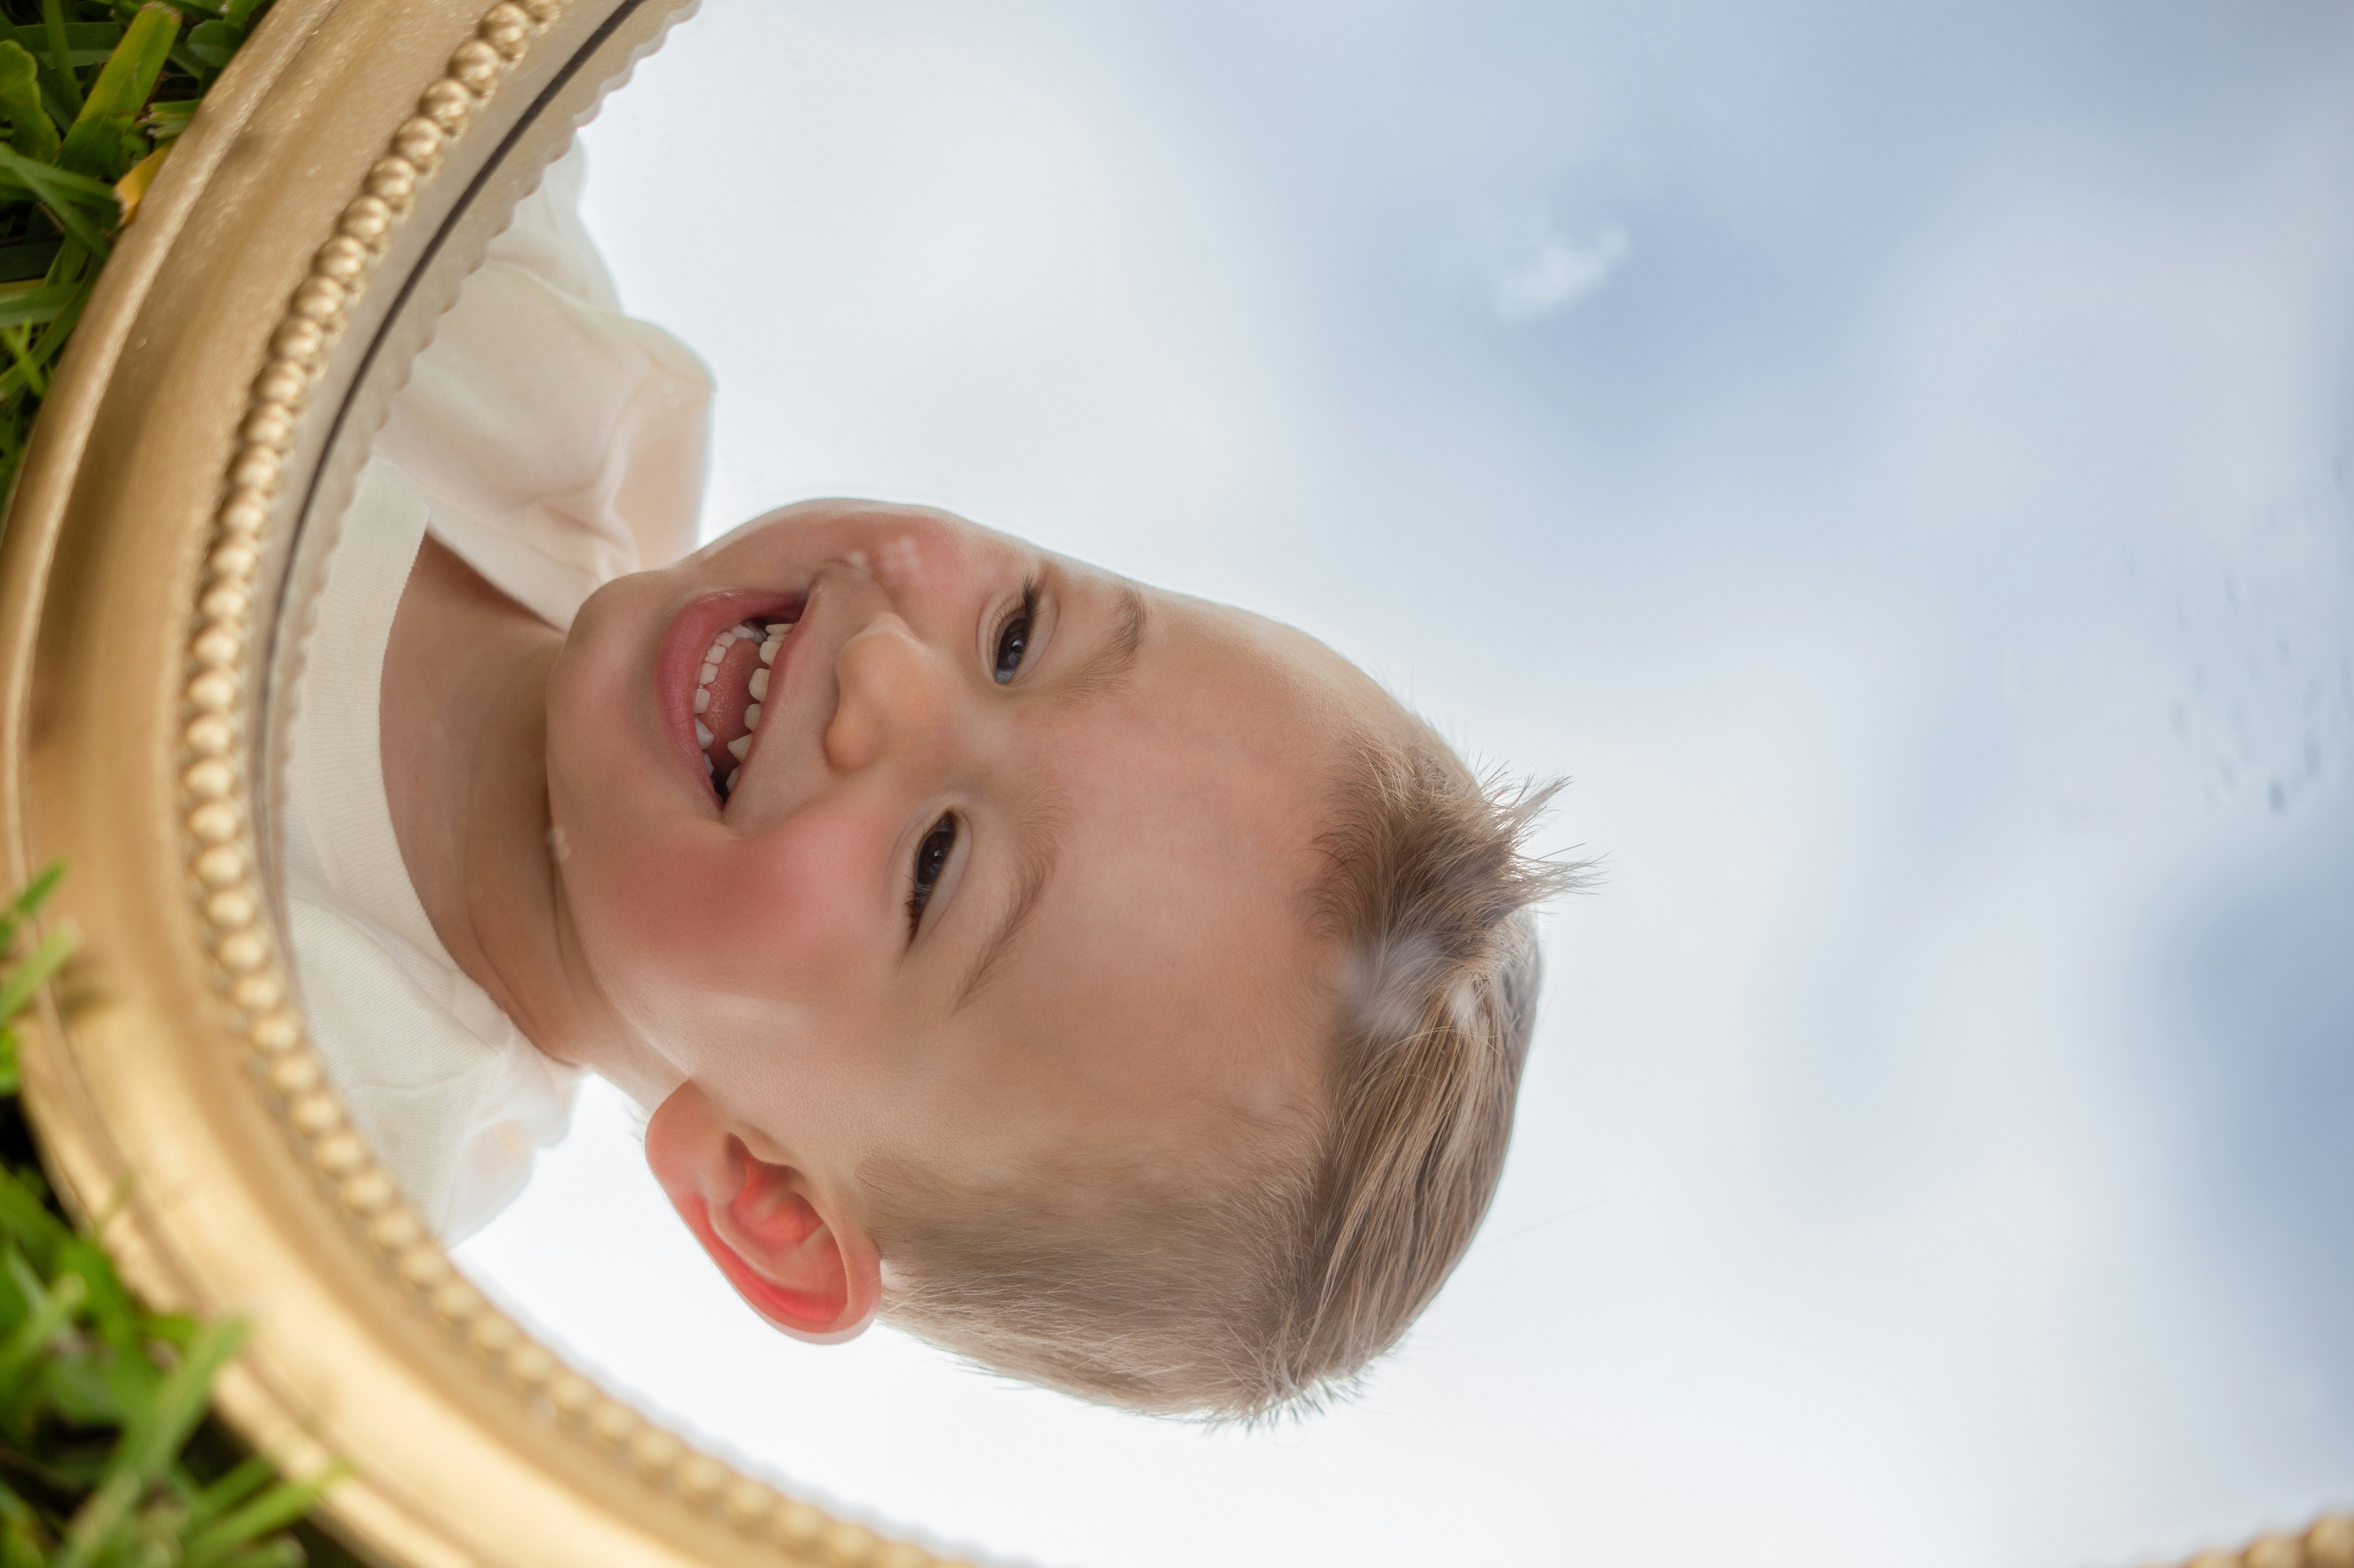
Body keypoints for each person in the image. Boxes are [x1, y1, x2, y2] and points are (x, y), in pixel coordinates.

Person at [282, 144, 1581, 1422]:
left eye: (934, 867)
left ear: (767, 1193)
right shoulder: (546, 370)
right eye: (1017, 635)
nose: (887, 678)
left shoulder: (302, 1124)